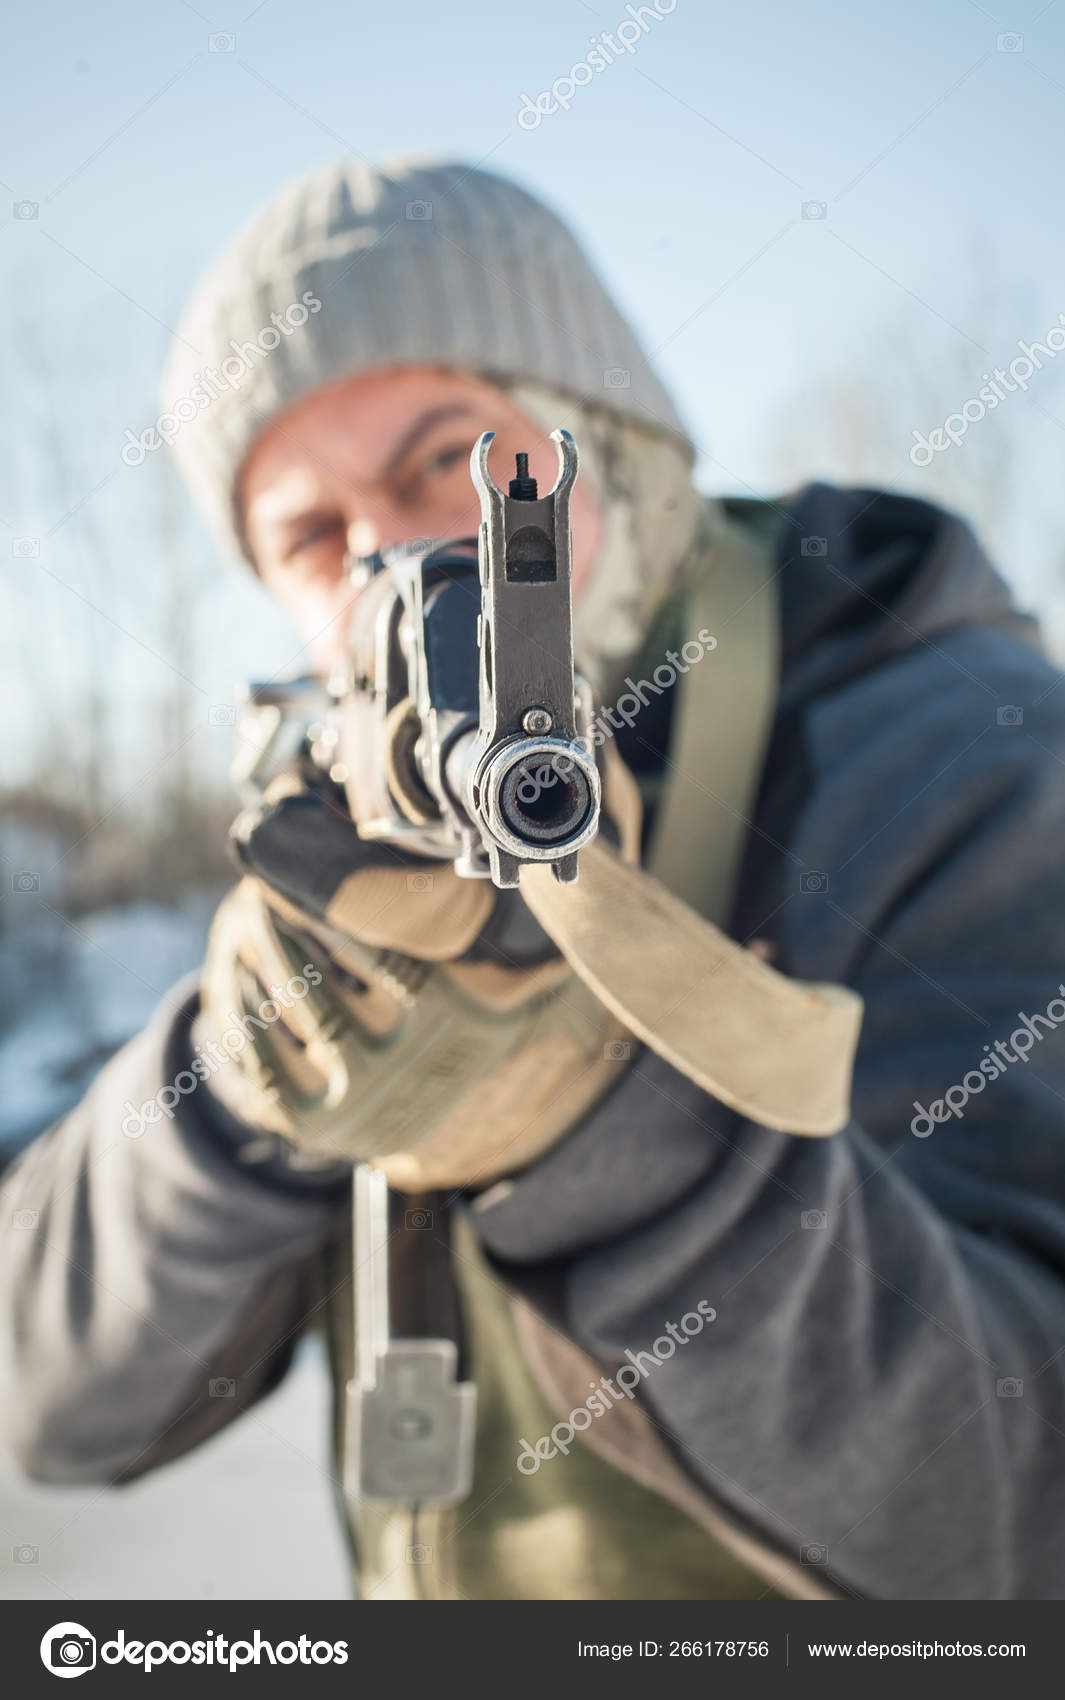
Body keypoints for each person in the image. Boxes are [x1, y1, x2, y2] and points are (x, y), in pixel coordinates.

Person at [4, 157, 1065, 1602]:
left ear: (613, 449)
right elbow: (46, 1404)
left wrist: (610, 1134)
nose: (389, 556)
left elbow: (1012, 1521)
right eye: (308, 537)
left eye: (449, 464)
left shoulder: (947, 750)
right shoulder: (337, 827)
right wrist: (240, 1087)